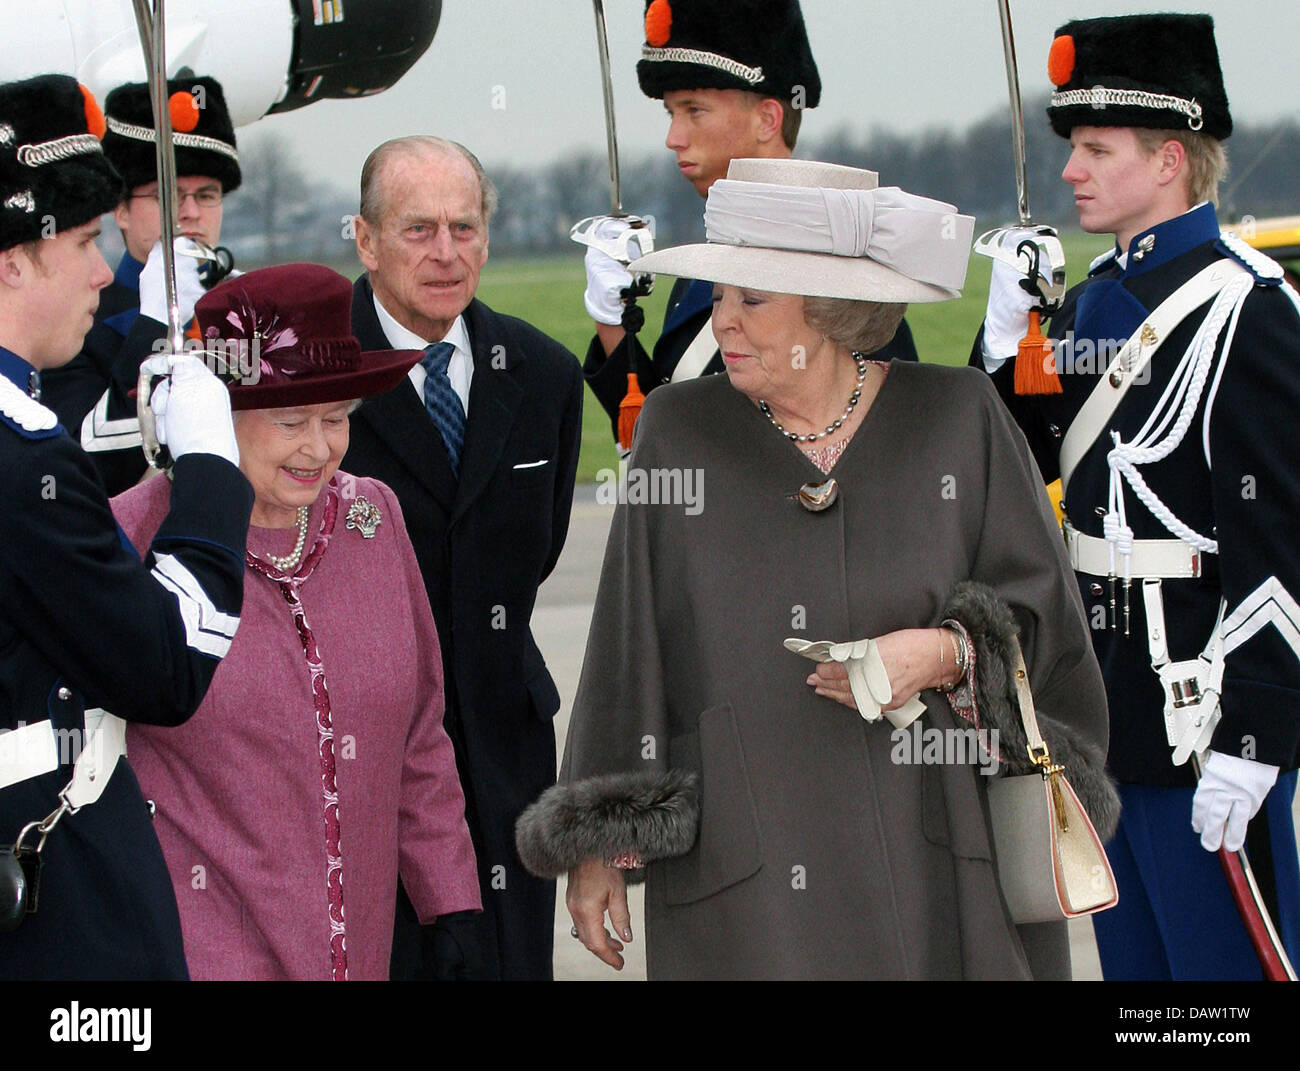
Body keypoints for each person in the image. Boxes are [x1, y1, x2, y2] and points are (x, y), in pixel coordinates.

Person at [516, 158, 1116, 980]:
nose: (722, 320)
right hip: (746, 872)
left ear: (831, 310)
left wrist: (944, 653)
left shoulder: (960, 417)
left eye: (751, 299)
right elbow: (630, 645)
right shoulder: (677, 429)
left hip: (941, 852)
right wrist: (598, 844)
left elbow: (1048, 632)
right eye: (719, 294)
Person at [975, 14, 1300, 979]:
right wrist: (1003, 346)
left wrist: (1258, 731)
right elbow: (1013, 464)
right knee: (1143, 985)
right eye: (1071, 147)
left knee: (1227, 987)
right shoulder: (1084, 306)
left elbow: (1280, 539)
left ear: (1169, 159)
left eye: (1095, 149)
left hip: (1205, 723)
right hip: (1103, 717)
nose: (1072, 169)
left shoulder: (1247, 307)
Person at [110, 263, 481, 980]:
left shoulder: (374, 519)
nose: (319, 448)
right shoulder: (133, 535)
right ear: (213, 419)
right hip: (198, 949)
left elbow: (419, 736)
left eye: (337, 418)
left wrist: (449, 900)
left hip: (360, 951)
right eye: (290, 422)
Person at [0, 74, 252, 979]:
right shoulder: (19, 457)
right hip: (58, 890)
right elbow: (165, 661)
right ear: (12, 260)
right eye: (81, 241)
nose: (105, 269)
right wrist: (216, 474)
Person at [342, 136, 583, 980]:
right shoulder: (308, 381)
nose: (446, 252)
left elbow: (537, 550)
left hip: (505, 759)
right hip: (362, 769)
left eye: (465, 227)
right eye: (417, 230)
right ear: (366, 241)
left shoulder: (546, 375)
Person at [581, 0, 918, 448]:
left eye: (694, 110)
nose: (673, 137)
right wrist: (613, 318)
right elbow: (665, 436)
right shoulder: (699, 269)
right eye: (671, 114)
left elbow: (891, 444)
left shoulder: (844, 265)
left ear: (767, 118)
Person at [42, 75, 240, 497]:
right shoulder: (77, 320)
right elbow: (87, 468)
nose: (188, 213)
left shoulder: (251, 310)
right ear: (121, 211)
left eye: (206, 195)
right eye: (164, 195)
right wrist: (154, 325)